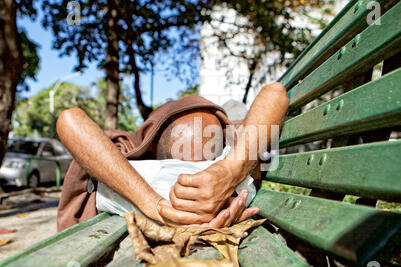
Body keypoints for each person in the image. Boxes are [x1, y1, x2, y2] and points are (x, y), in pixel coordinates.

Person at [56, 82, 289, 231]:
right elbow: (69, 120)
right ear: (158, 156)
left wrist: (230, 171)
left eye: (205, 165)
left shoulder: (232, 148)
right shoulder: (141, 168)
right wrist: (154, 206)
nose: (196, 182)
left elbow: (275, 92)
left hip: (227, 133)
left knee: (235, 108)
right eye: (178, 167)